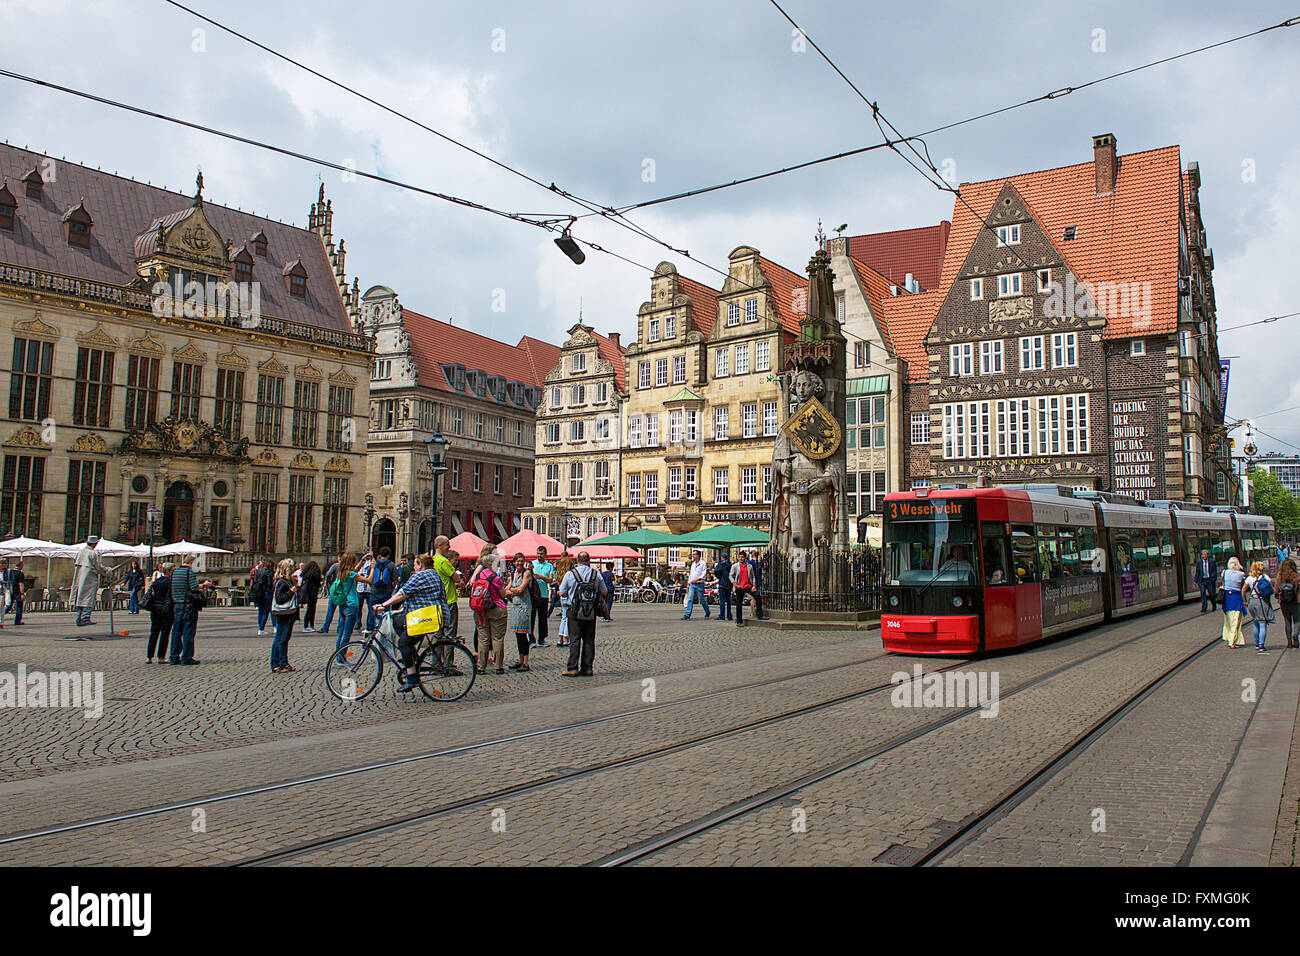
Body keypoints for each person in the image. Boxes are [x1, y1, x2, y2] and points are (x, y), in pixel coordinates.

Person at [377, 552, 452, 691]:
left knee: (403, 643)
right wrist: (400, 611)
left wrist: (384, 604)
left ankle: (412, 678)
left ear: (420, 565)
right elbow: (424, 596)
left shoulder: (421, 575)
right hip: (434, 615)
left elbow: (402, 593)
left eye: (416, 565)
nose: (414, 568)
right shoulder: (435, 575)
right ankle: (413, 655)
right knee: (397, 622)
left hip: (425, 618)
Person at [560, 550, 608, 677]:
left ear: (577, 561)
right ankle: (587, 668)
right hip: (590, 611)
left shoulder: (570, 574)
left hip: (574, 610)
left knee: (574, 639)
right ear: (588, 561)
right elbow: (604, 591)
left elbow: (562, 591)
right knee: (589, 639)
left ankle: (572, 668)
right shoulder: (595, 574)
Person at [167, 555, 213, 665]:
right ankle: (186, 657)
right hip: (188, 606)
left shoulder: (175, 572)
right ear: (191, 562)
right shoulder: (189, 573)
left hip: (177, 605)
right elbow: (193, 587)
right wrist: (204, 585)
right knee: (188, 632)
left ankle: (173, 657)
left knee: (176, 632)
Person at [470, 546, 508, 674]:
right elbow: (503, 594)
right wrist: (509, 587)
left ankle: (481, 667)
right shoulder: (495, 578)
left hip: (480, 610)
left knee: (483, 639)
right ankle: (498, 666)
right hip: (496, 609)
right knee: (497, 638)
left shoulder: (478, 577)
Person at [330, 552, 373, 661]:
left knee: (341, 632)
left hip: (343, 605)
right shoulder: (351, 574)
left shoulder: (342, 572)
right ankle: (342, 658)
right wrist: (372, 568)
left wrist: (362, 561)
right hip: (352, 605)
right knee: (346, 634)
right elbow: (369, 580)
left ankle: (338, 656)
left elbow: (356, 570)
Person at [69, 535, 108, 631]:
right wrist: (106, 572)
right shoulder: (93, 553)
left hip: (79, 577)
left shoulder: (80, 552)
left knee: (80, 597)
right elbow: (98, 566)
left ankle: (79, 618)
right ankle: (85, 617)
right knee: (88, 597)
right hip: (89, 578)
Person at [505, 552, 534, 672]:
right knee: (518, 635)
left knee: (523, 635)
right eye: (518, 561)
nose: (520, 563)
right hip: (515, 607)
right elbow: (507, 590)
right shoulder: (513, 574)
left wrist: (512, 590)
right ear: (514, 562)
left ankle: (526, 662)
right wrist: (512, 590)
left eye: (522, 561)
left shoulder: (526, 573)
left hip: (524, 606)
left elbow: (521, 589)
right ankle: (520, 660)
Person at [270, 558, 300, 673]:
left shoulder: (287, 581)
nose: (294, 568)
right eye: (292, 566)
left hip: (289, 614)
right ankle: (276, 663)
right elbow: (280, 598)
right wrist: (291, 591)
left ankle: (283, 662)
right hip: (284, 614)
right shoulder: (281, 582)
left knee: (284, 639)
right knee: (280, 639)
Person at [432, 536, 463, 645]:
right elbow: (457, 579)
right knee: (450, 634)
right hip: (448, 599)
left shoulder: (432, 560)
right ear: (439, 545)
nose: (449, 547)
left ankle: (437, 661)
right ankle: (448, 662)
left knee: (438, 634)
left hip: (436, 601)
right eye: (447, 544)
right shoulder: (443, 561)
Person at [144, 562, 173, 663]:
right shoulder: (170, 582)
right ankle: (161, 656)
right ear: (169, 571)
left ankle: (149, 656)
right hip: (166, 609)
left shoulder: (156, 582)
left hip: (155, 608)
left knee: (154, 633)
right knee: (165, 633)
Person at [1243, 560, 1275, 654]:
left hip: (1252, 601)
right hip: (1262, 601)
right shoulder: (1265, 577)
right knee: (1262, 623)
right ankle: (1261, 645)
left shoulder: (1249, 578)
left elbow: (1243, 590)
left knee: (1255, 622)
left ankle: (1256, 644)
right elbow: (1271, 590)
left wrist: (1245, 601)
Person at [367, 546, 397, 632]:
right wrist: (392, 589)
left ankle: (370, 628)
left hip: (374, 591)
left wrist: (372, 585)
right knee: (386, 611)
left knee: (371, 611)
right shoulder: (391, 564)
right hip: (386, 591)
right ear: (388, 555)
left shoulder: (374, 563)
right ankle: (384, 628)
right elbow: (395, 579)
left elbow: (369, 577)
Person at [1221, 556, 1247, 649]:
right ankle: (1232, 641)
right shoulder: (1241, 574)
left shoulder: (1224, 573)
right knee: (1236, 621)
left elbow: (1223, 583)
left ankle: (1231, 638)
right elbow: (1243, 586)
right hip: (1236, 598)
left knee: (1228, 620)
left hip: (1227, 599)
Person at [531, 546, 555, 645]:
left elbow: (550, 579)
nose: (539, 556)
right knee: (532, 618)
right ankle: (531, 639)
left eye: (541, 554)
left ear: (545, 555)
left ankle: (542, 639)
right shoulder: (532, 564)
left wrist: (541, 577)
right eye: (538, 554)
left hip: (544, 594)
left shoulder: (549, 566)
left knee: (543, 618)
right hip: (533, 595)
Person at [1276, 558, 1300, 649]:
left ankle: (1289, 642)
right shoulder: (1296, 576)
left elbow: (1276, 591)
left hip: (1284, 603)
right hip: (1295, 602)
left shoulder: (1280, 577)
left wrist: (1278, 597)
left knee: (1287, 621)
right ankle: (1296, 634)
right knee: (1297, 620)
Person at [683, 550, 711, 620]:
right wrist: (688, 583)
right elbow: (691, 574)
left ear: (698, 555)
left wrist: (697, 579)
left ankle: (707, 611)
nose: (693, 556)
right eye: (693, 554)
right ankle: (687, 615)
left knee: (702, 599)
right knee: (690, 599)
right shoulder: (693, 564)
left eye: (694, 554)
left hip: (699, 584)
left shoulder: (703, 563)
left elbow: (703, 574)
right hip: (692, 584)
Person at [731, 549, 756, 627]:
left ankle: (760, 614)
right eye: (740, 557)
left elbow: (753, 576)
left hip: (748, 586)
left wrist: (754, 585)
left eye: (742, 557)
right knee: (739, 604)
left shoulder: (749, 566)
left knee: (757, 596)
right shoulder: (735, 566)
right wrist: (735, 584)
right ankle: (739, 621)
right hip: (739, 587)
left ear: (745, 558)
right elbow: (731, 575)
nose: (741, 558)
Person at [250, 559, 273, 636]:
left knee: (260, 611)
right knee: (266, 612)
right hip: (266, 593)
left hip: (259, 593)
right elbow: (270, 584)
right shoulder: (269, 572)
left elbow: (255, 581)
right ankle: (261, 628)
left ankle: (260, 627)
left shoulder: (259, 571)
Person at [320, 555, 341, 635]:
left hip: (335, 589)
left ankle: (326, 627)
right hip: (343, 590)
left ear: (339, 558)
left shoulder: (335, 565)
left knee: (331, 609)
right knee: (342, 611)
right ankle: (339, 628)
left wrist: (330, 583)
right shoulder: (348, 566)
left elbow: (328, 574)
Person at [1193, 549, 1218, 614]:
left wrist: (1213, 578)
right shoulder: (1199, 562)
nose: (1204, 556)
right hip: (1202, 580)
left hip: (1209, 580)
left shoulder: (1212, 561)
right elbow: (1197, 571)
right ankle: (1204, 607)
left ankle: (1214, 605)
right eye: (1203, 554)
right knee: (1203, 593)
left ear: (1207, 555)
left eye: (1205, 554)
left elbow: (1214, 571)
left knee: (1211, 594)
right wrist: (1196, 580)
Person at [300, 559, 322, 632]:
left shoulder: (306, 576)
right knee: (312, 610)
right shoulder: (315, 575)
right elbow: (318, 584)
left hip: (307, 593)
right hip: (313, 593)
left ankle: (306, 626)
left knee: (308, 610)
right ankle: (311, 625)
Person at [714, 552, 734, 622]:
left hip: (722, 584)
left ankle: (722, 615)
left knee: (722, 601)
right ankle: (729, 616)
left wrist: (719, 577)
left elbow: (716, 571)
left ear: (722, 557)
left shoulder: (721, 564)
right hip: (729, 584)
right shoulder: (730, 564)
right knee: (728, 601)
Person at [4, 559, 24, 626]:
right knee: (19, 606)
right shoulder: (20, 573)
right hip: (17, 592)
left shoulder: (10, 572)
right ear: (21, 565)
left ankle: (1, 614)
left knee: (9, 605)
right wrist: (22, 593)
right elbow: (21, 584)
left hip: (11, 591)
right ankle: (17, 621)